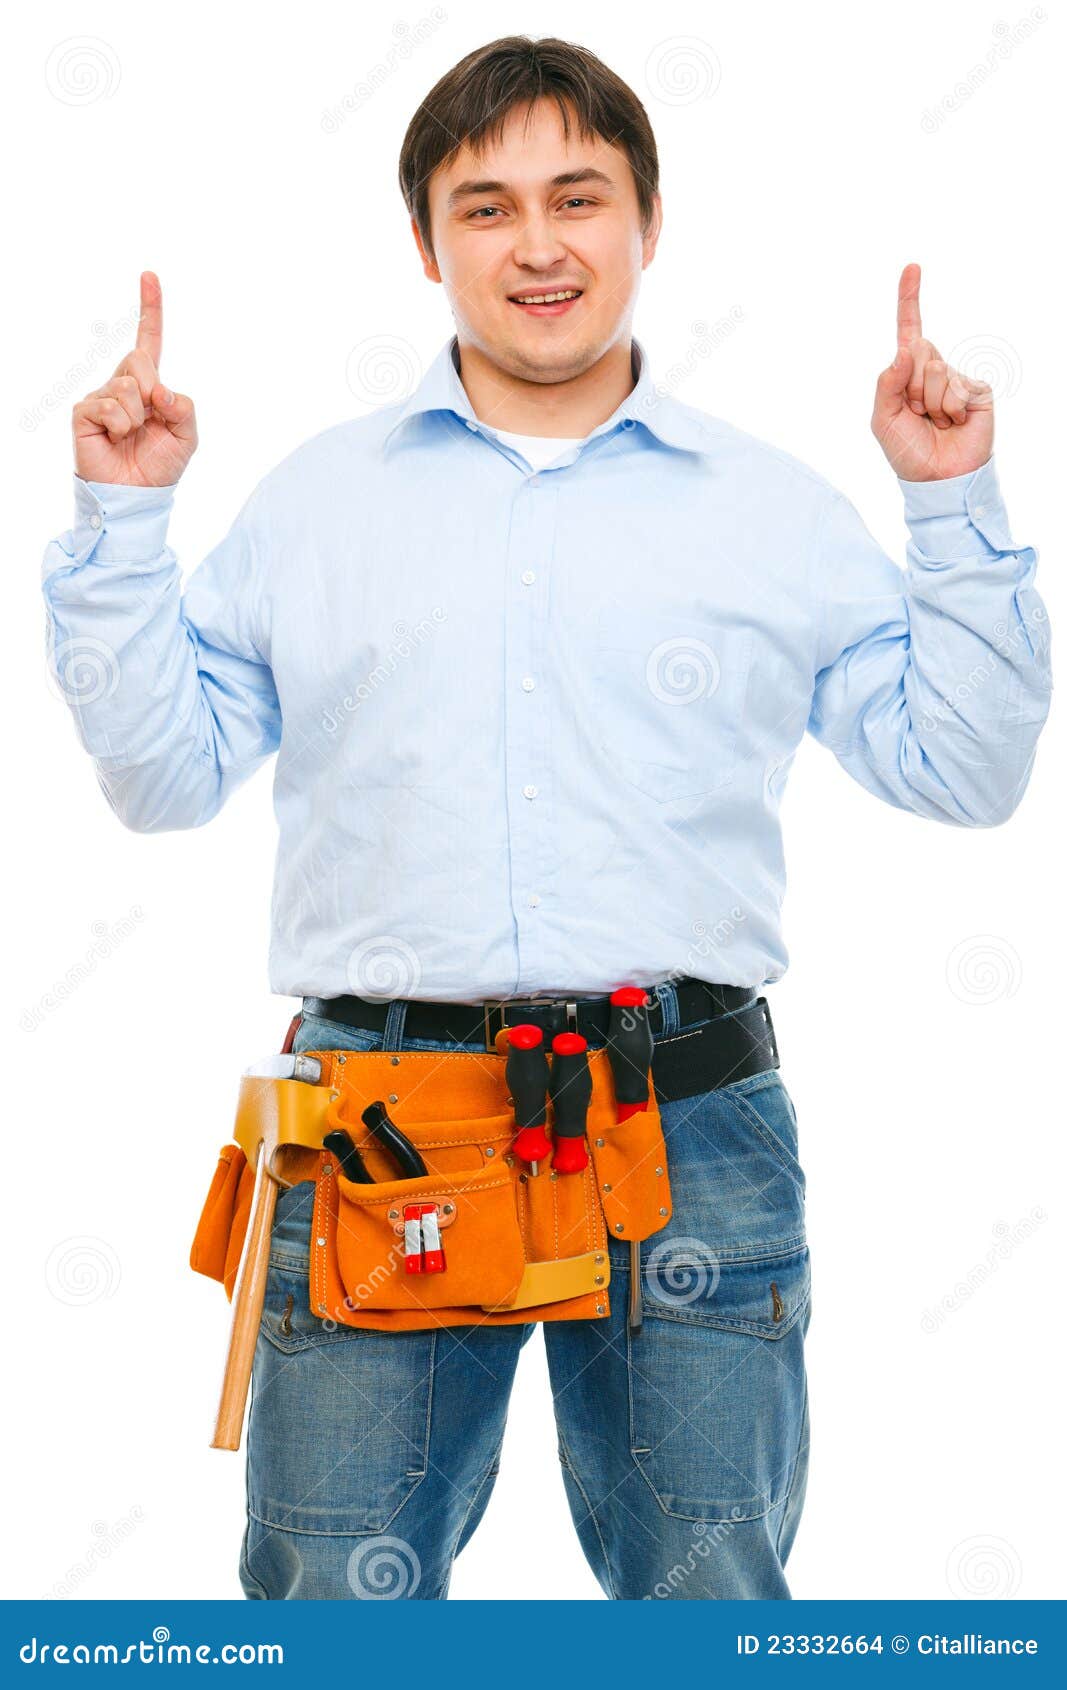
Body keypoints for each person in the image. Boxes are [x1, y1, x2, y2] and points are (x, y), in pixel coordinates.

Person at [41, 36, 1051, 1601]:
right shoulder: (315, 506)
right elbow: (166, 782)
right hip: (386, 1124)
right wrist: (122, 526)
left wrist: (950, 502)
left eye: (577, 197)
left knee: (710, 1606)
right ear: (429, 242)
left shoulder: (771, 508)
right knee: (332, 1612)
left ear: (649, 222)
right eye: (485, 204)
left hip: (688, 1122)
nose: (536, 244)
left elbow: (965, 772)